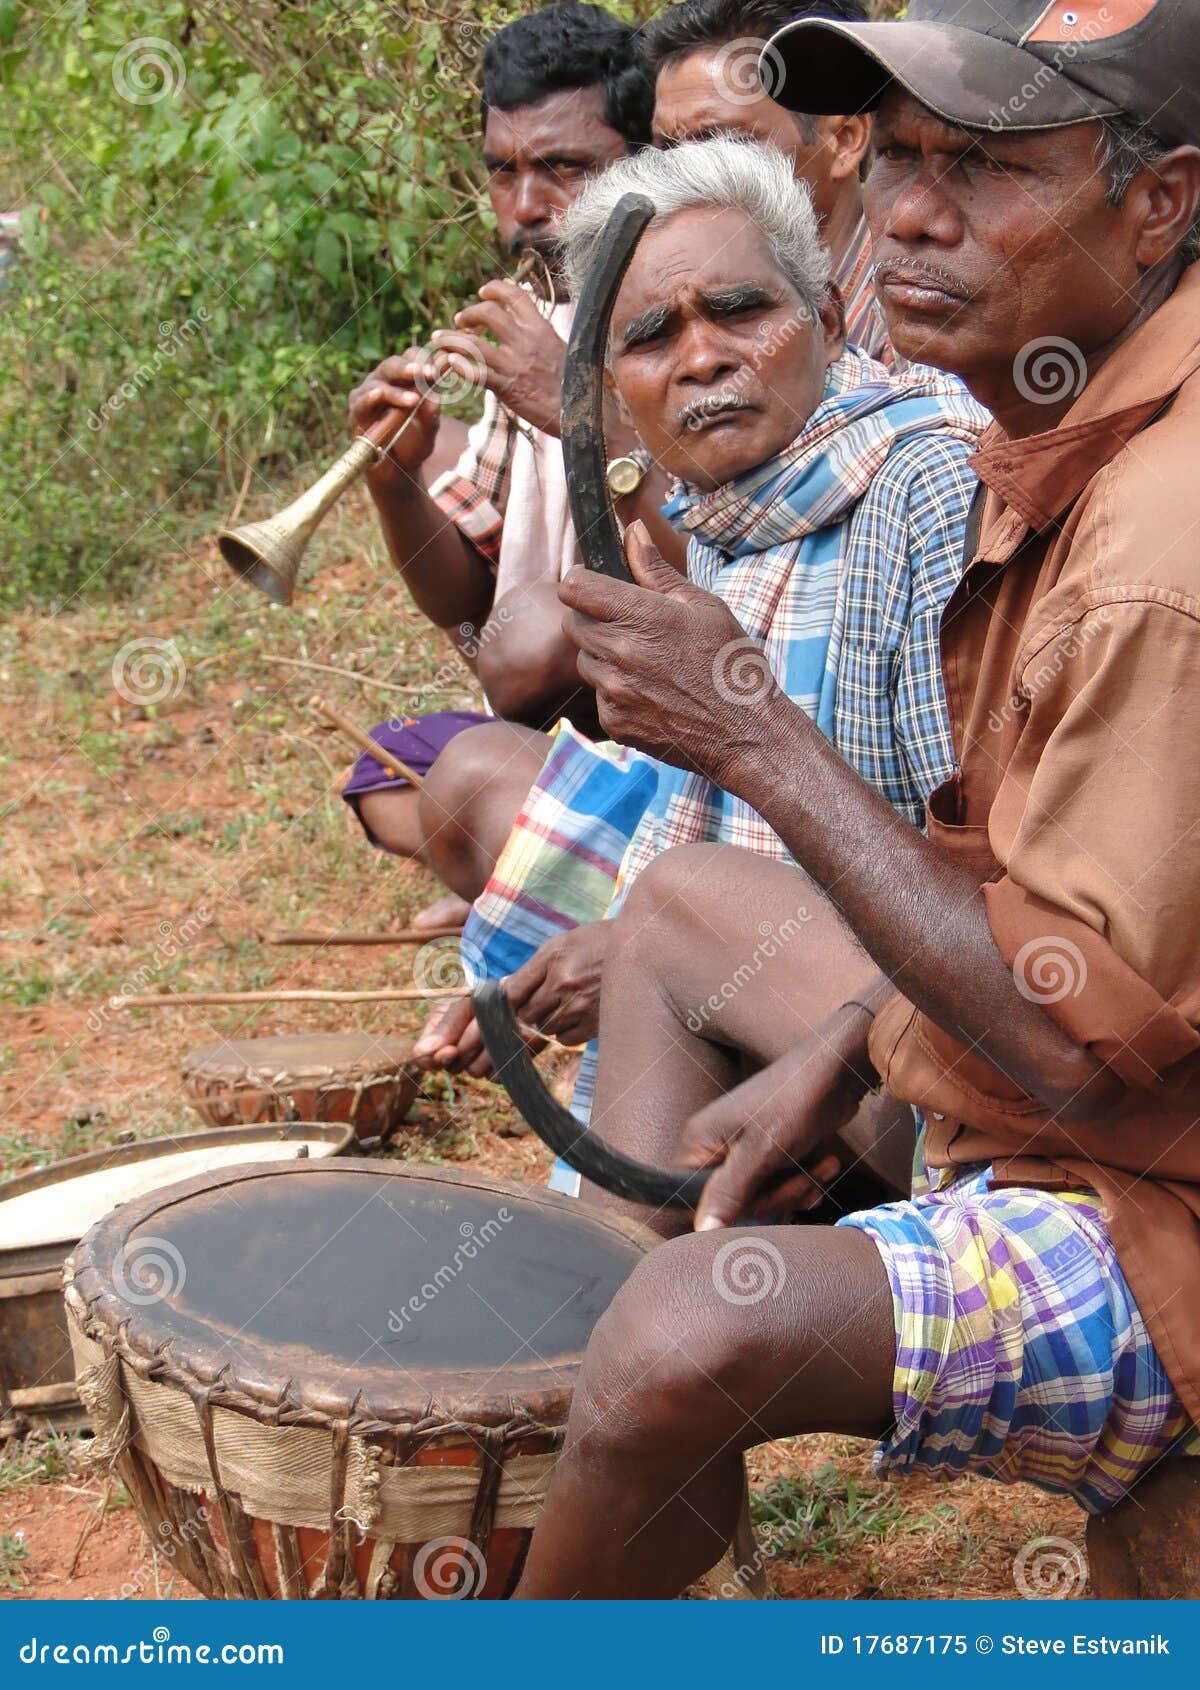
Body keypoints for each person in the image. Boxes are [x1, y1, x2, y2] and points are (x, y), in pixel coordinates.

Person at [508, 0, 1200, 1600]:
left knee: (693, 1321)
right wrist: (841, 1049)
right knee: (680, 914)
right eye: (892, 160)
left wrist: (747, 729)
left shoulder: (1151, 543)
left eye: (984, 167)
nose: (907, 216)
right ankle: (622, 1482)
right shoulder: (1071, 434)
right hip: (1096, 1086)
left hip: (1154, 1189)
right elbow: (1019, 886)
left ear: (1162, 203)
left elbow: (1068, 1038)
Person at [411, 136, 985, 1130]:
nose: (703, 358)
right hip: (821, 1015)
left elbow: (982, 897)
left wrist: (664, 948)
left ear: (831, 318)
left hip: (954, 1057)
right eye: (650, 336)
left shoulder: (924, 491)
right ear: (611, 382)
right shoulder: (729, 513)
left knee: (678, 906)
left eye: (740, 311)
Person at [339, 3, 678, 919]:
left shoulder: (699, 315)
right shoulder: (540, 320)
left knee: (486, 733)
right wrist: (395, 481)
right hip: (562, 726)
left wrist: (577, 413)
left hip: (692, 732)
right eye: (504, 171)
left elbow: (721, 554)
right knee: (384, 770)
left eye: (564, 169)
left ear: (647, 168)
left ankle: (533, 865)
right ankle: (530, 855)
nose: (526, 208)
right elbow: (465, 608)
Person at [643, 0, 892, 364]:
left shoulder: (912, 313)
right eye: (668, 149)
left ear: (842, 140)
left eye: (725, 143)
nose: (685, 174)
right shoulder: (670, 304)